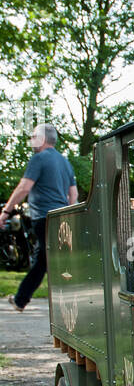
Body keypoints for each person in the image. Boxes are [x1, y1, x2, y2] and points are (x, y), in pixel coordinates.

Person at [0, 124, 78, 311]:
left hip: (43, 218)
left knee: (51, 263)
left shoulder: (39, 159)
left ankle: (69, 305)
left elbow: (24, 188)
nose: (31, 140)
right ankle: (21, 299)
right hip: (59, 219)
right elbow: (73, 195)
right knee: (42, 261)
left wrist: (5, 212)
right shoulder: (65, 162)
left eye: (34, 136)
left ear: (43, 139)